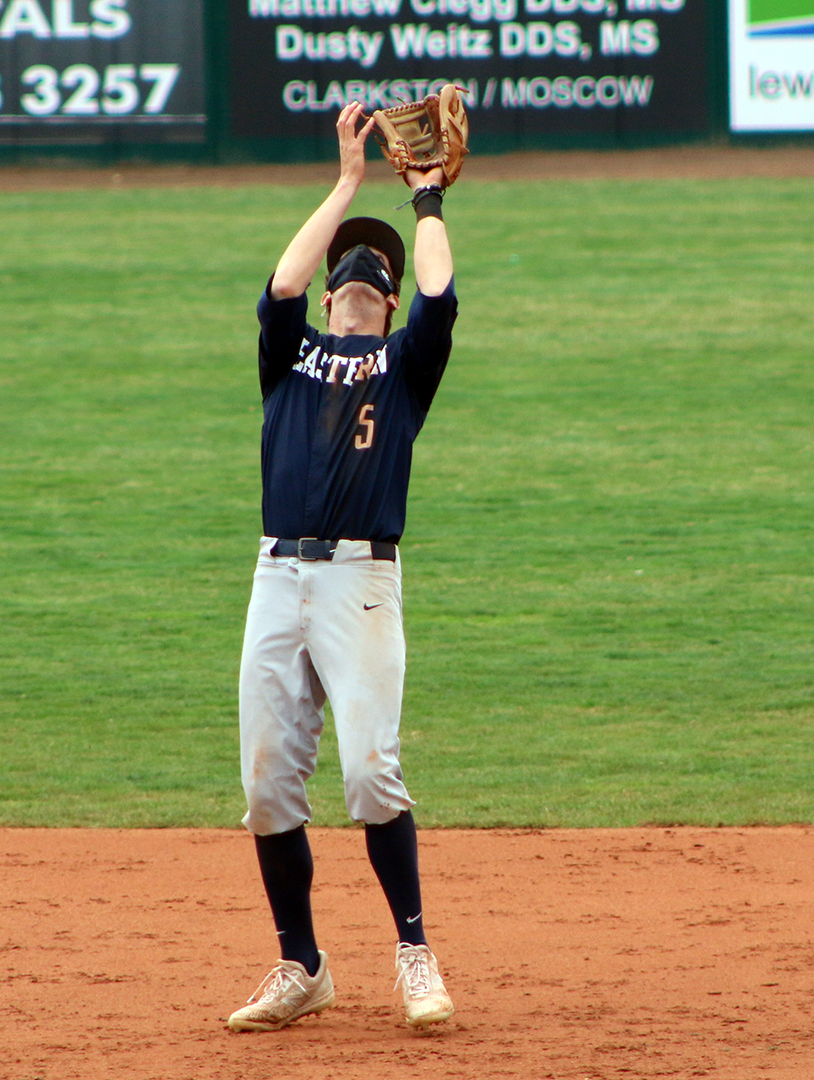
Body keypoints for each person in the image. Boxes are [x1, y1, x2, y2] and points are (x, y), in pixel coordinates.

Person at [226, 98, 459, 1034]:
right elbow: (280, 282)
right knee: (267, 781)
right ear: (330, 298)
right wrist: (349, 184)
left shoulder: (404, 369)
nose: (361, 276)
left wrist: (428, 200)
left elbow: (443, 297)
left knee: (369, 772)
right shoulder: (292, 355)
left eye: (379, 275)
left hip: (361, 583)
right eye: (347, 273)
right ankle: (302, 965)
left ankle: (412, 949)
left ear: (389, 304)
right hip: (277, 577)